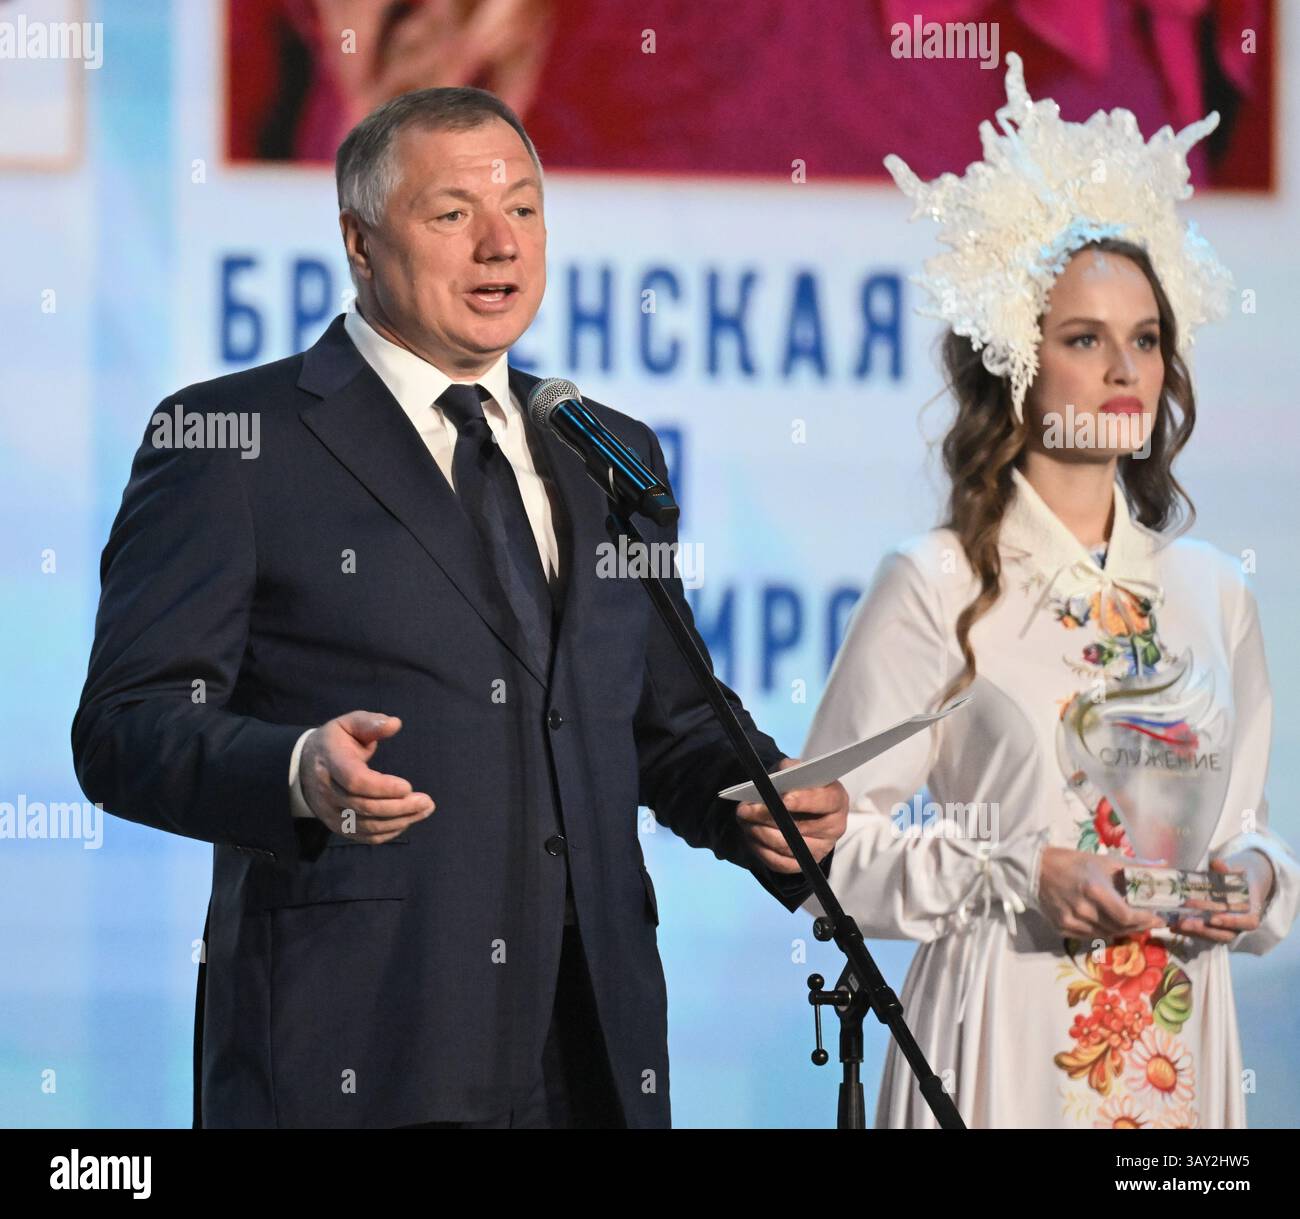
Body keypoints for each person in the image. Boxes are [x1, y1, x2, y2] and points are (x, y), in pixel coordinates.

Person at [71, 86, 846, 1130]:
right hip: (360, 1040)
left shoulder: (602, 448)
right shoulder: (231, 441)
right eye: (452, 215)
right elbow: (125, 727)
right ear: (357, 239)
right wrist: (296, 772)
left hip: (593, 1047)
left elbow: (662, 719)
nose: (499, 245)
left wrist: (751, 794)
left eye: (523, 209)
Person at [795, 55, 1298, 1128]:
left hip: (1177, 1045)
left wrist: (1253, 875)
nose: (1124, 370)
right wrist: (1020, 873)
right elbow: (824, 849)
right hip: (1001, 1036)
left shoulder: (1213, 593)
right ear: (1018, 360)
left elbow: (1243, 825)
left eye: (1145, 341)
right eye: (1084, 340)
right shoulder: (936, 581)